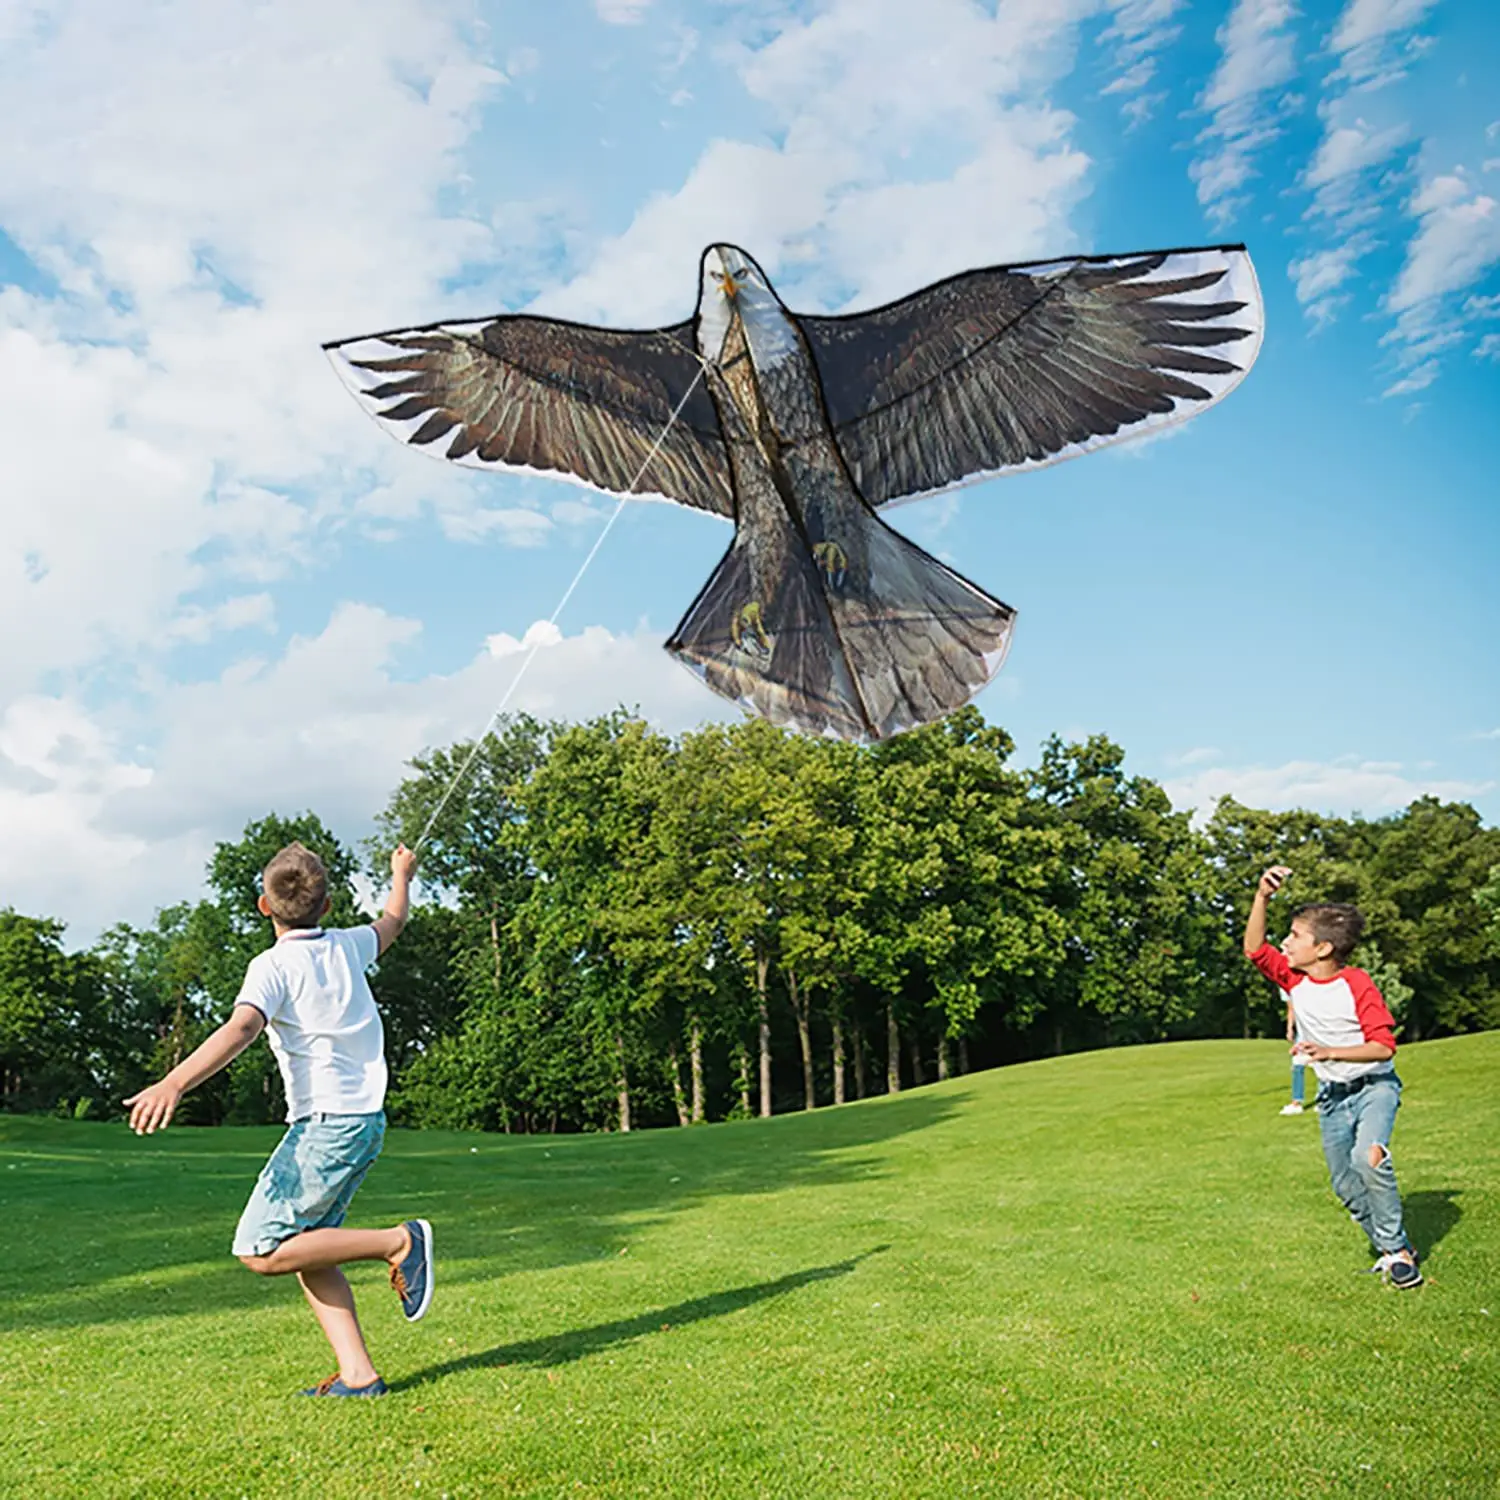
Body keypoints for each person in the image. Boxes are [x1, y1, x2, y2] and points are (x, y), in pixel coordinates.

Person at [125, 841, 434, 1393]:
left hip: (326, 1126)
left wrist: (173, 1081)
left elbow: (242, 1028)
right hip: (361, 1122)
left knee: (261, 1249)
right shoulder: (348, 946)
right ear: (329, 905)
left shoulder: (271, 966)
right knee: (308, 1243)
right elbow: (393, 921)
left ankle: (399, 1242)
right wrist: (401, 875)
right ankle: (359, 1376)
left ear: (264, 906)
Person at [1243, 864, 1421, 1289]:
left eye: (1295, 936)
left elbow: (1383, 1047)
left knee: (1368, 1158)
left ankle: (1396, 1253)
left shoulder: (1357, 983)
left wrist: (1327, 1051)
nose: (1284, 942)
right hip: (1332, 1098)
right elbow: (1253, 948)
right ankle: (1393, 1249)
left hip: (1374, 1087)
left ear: (1322, 949)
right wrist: (1261, 897)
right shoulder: (1292, 978)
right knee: (1345, 1186)